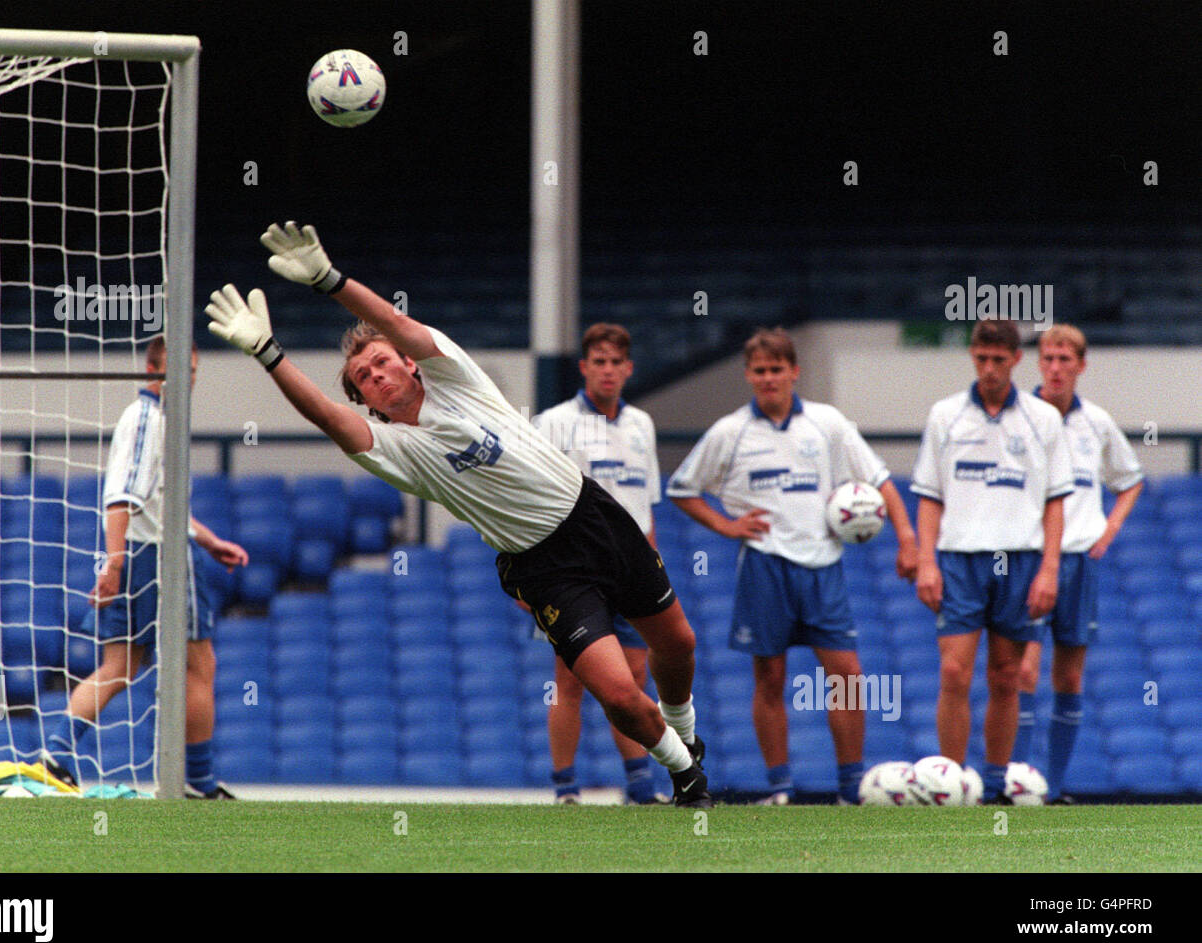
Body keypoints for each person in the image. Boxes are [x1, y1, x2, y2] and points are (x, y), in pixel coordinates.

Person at [203, 221, 712, 807]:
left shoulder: (455, 377)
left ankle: (690, 738)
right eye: (363, 377)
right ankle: (685, 774)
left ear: (410, 365)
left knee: (679, 644)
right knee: (620, 695)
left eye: (382, 363)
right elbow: (324, 415)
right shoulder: (395, 449)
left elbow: (394, 323)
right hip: (546, 569)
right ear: (365, 399)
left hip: (595, 515)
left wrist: (328, 278)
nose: (376, 373)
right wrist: (268, 353)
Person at [668, 328, 917, 805]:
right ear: (748, 375)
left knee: (846, 677)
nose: (768, 378)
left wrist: (908, 540)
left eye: (776, 369)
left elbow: (880, 478)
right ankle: (780, 788)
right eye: (759, 370)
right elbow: (683, 488)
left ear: (794, 371)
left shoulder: (827, 424)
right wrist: (726, 526)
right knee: (771, 678)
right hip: (765, 566)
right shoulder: (730, 431)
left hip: (823, 567)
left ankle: (850, 789)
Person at [40, 338, 250, 799]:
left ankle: (55, 755)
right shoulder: (149, 421)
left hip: (145, 550)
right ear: (157, 369)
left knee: (118, 667)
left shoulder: (152, 421)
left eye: (194, 371)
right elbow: (121, 498)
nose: (190, 380)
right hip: (158, 557)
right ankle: (197, 782)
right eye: (184, 370)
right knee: (199, 666)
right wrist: (113, 565)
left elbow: (159, 504)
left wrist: (210, 541)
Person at [910, 317, 1074, 803]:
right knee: (954, 672)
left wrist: (1049, 569)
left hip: (1019, 560)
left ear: (1016, 360)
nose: (989, 368)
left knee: (1006, 675)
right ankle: (952, 784)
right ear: (972, 356)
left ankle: (998, 784)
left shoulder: (1043, 418)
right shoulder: (945, 415)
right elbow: (930, 496)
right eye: (981, 358)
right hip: (959, 558)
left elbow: (1055, 502)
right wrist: (926, 561)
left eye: (999, 360)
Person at [531, 323, 666, 804]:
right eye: (599, 361)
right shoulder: (552, 423)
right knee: (570, 681)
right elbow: (530, 501)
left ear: (628, 369)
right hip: (573, 574)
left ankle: (640, 786)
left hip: (630, 572)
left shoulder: (641, 425)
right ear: (584, 367)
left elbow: (646, 504)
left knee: (633, 680)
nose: (608, 370)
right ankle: (566, 789)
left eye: (616, 362)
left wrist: (653, 566)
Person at [1014, 324, 1143, 803]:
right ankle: (1017, 781)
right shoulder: (1019, 418)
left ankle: (1054, 787)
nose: (1054, 367)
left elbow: (1130, 479)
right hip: (1028, 560)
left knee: (1068, 676)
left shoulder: (1098, 423)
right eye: (1047, 358)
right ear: (1038, 363)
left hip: (1078, 563)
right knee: (1023, 672)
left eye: (1065, 359)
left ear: (1081, 365)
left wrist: (1108, 530)